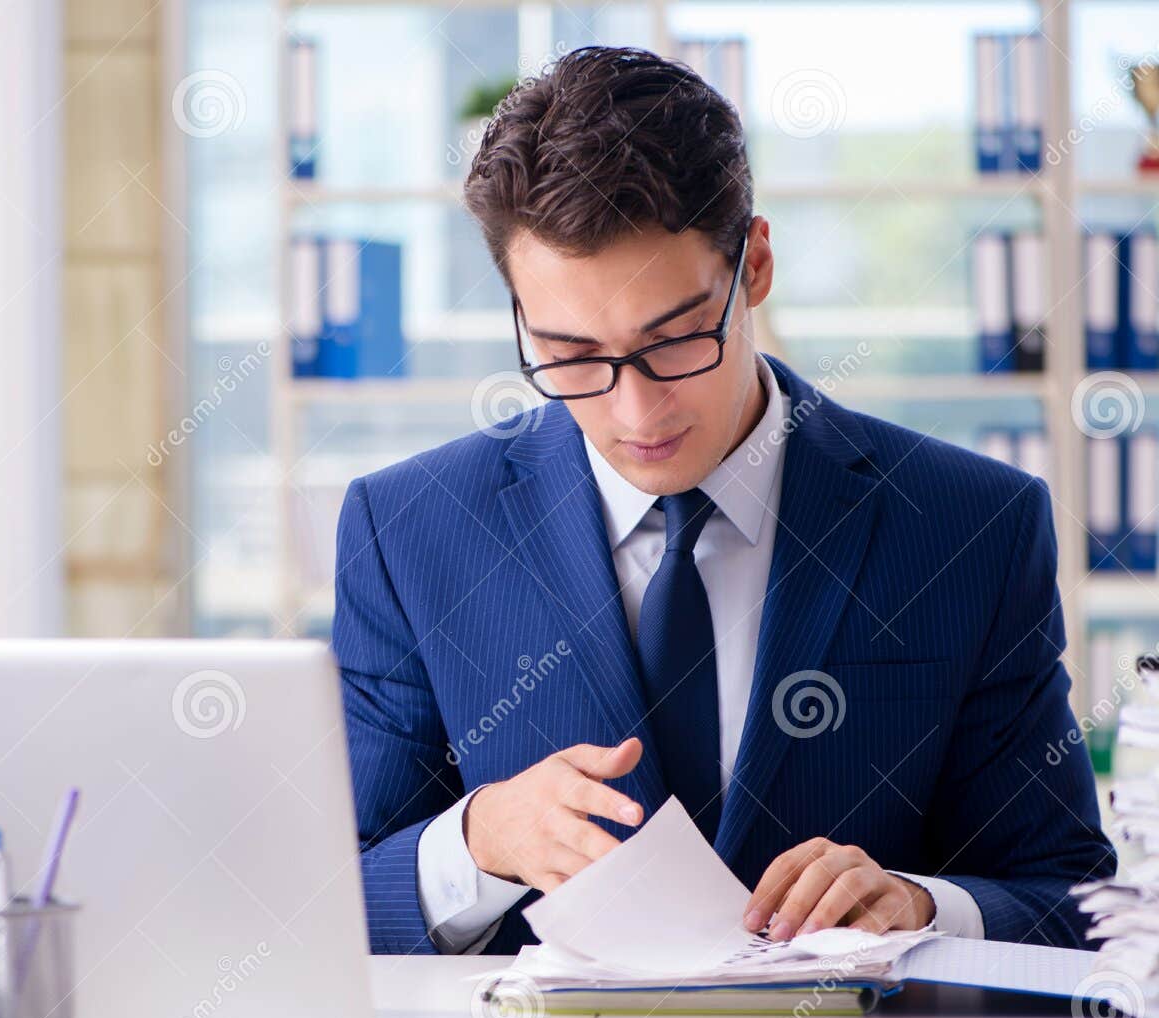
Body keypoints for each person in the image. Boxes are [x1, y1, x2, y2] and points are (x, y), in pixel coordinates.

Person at [332, 45, 1115, 955]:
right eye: (571, 353)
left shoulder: (972, 527)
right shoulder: (410, 532)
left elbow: (1073, 903)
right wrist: (474, 843)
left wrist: (922, 908)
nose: (635, 411)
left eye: (674, 341)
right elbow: (325, 909)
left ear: (756, 267)